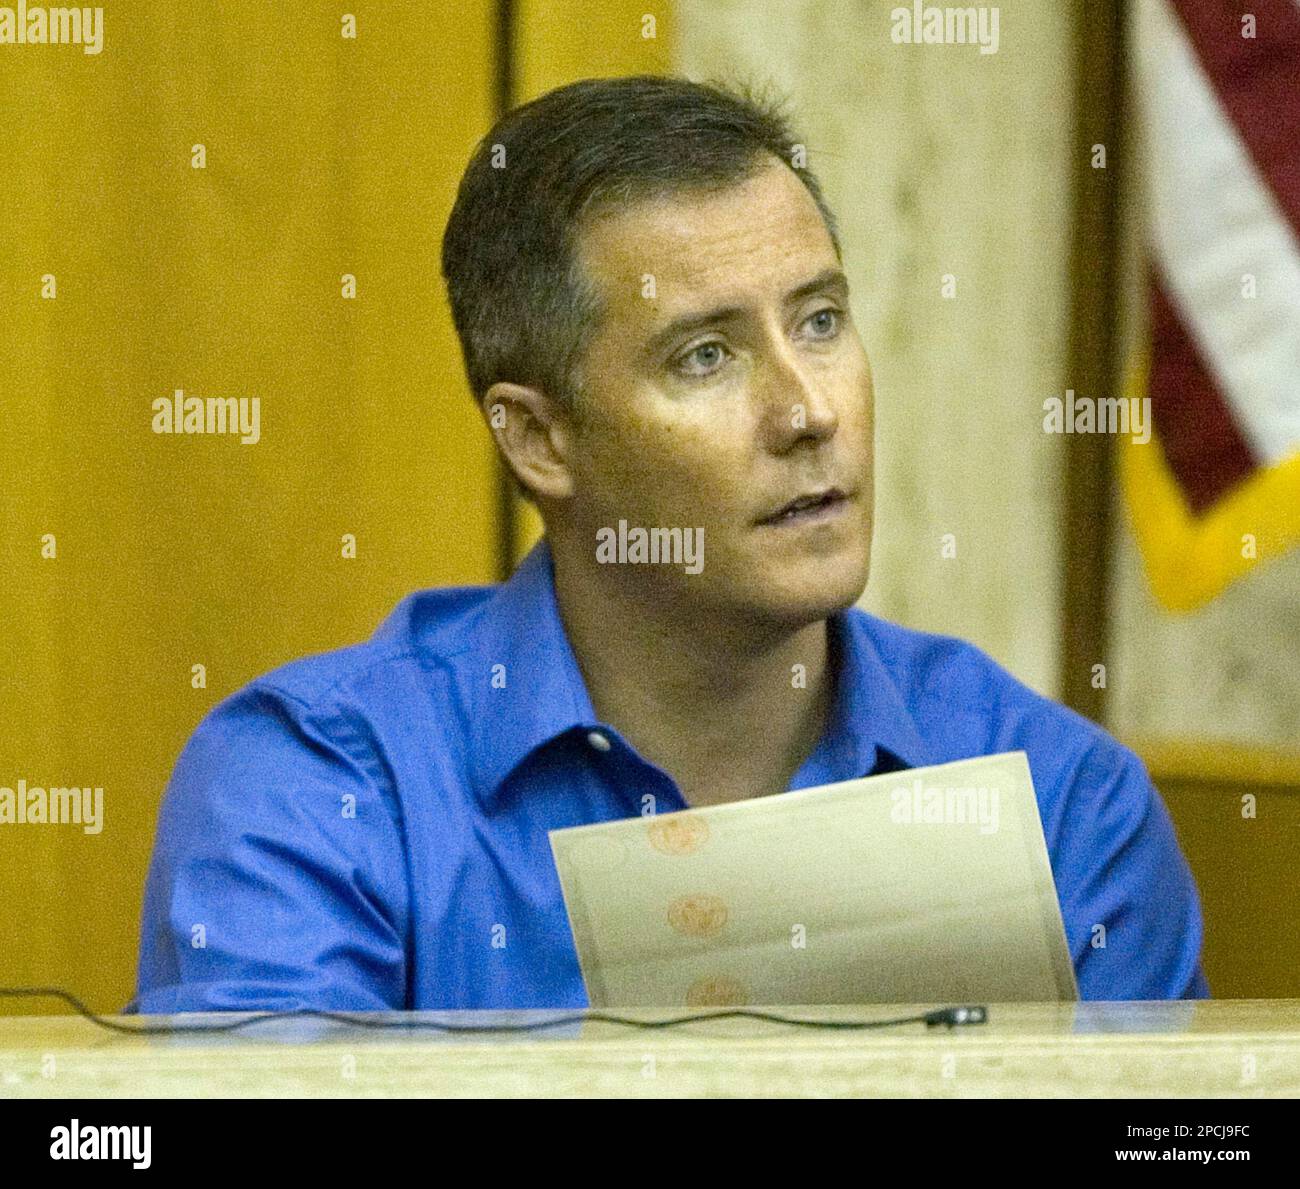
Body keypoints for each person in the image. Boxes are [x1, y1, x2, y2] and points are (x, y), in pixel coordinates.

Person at [128, 75, 1209, 1012]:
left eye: (820, 321)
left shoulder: (1060, 803)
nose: (806, 411)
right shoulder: (319, 789)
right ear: (541, 439)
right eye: (705, 356)